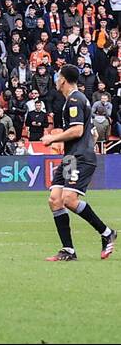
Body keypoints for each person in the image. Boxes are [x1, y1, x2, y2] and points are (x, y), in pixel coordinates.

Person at [44, 64, 117, 262]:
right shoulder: (74, 100)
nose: (56, 80)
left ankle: (106, 232)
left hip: (80, 158)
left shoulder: (76, 99)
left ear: (63, 80)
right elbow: (91, 132)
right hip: (72, 157)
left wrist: (53, 138)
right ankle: (68, 250)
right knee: (55, 199)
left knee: (68, 199)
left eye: (58, 77)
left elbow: (76, 131)